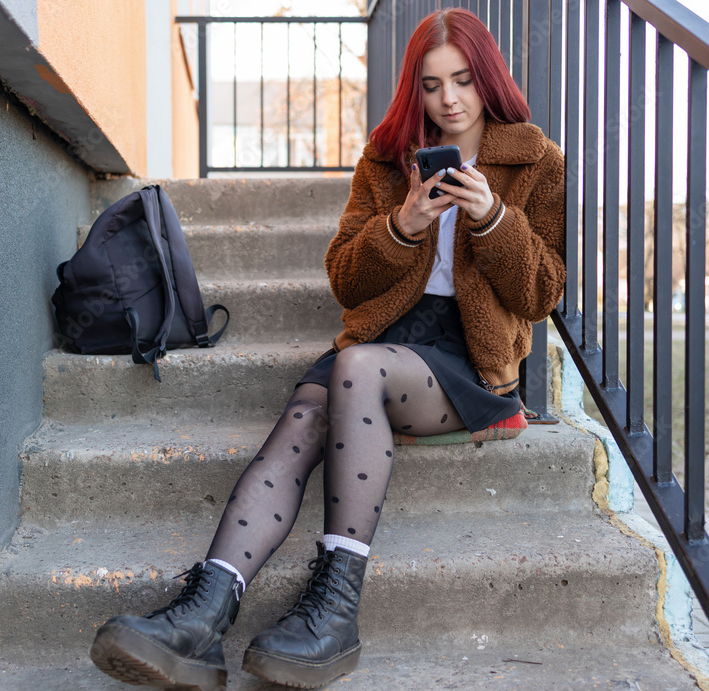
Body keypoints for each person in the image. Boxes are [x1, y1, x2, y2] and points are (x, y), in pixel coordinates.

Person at [88, 8, 565, 690]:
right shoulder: (386, 159)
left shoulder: (537, 162)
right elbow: (345, 279)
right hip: (384, 340)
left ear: (487, 77)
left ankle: (336, 610)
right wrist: (401, 225)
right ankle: (203, 614)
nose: (449, 100)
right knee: (313, 408)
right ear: (415, 89)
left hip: (467, 358)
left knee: (355, 366)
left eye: (462, 80)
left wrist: (493, 219)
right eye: (431, 85)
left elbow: (542, 291)